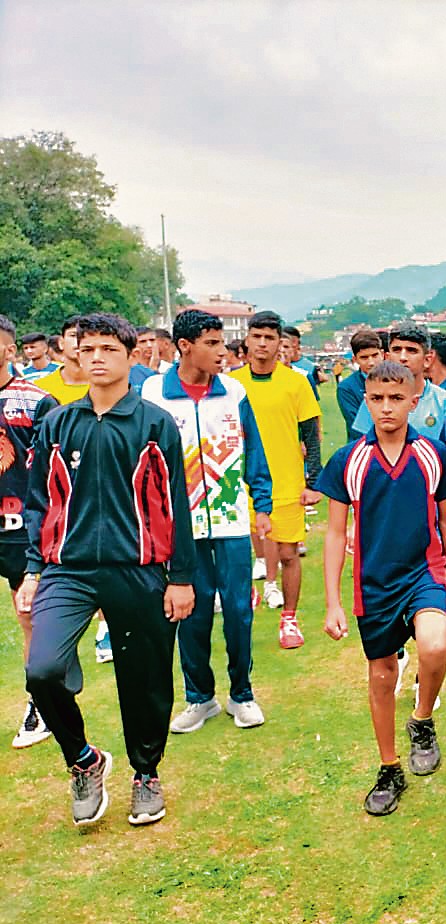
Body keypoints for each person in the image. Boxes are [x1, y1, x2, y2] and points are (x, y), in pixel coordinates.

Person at [20, 312, 195, 827]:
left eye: (108, 350)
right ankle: (84, 761)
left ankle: (146, 774)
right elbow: (39, 502)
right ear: (75, 354)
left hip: (138, 569)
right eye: (88, 349)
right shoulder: (57, 424)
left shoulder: (155, 424)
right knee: (42, 669)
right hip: (67, 569)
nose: (97, 358)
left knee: (144, 680)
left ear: (130, 356)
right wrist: (32, 569)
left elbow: (177, 506)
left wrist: (181, 577)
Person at [320, 360, 446, 815]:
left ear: (414, 402)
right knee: (382, 674)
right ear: (366, 401)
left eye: (396, 398)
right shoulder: (349, 460)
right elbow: (334, 533)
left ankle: (422, 719)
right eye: (378, 399)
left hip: (425, 572)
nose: (387, 407)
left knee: (434, 646)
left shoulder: (433, 454)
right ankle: (389, 767)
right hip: (374, 583)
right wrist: (332, 603)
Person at [141, 309, 274, 734]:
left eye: (221, 343)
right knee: (191, 612)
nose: (222, 352)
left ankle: (242, 694)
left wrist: (263, 505)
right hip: (180, 526)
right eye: (212, 344)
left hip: (231, 518)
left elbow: (254, 450)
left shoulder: (233, 391)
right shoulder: (153, 393)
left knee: (239, 611)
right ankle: (200, 698)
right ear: (185, 347)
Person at [228, 311, 322, 648]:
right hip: (239, 484)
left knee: (288, 553)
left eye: (270, 338)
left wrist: (313, 482)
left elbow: (311, 433)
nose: (263, 344)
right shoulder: (231, 384)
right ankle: (246, 603)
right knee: (236, 553)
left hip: (286, 482)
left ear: (280, 343)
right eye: (257, 337)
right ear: (247, 340)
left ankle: (289, 619)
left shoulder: (296, 382)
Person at [352, 326, 446, 556]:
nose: (403, 357)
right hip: (383, 511)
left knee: (436, 574)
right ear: (388, 355)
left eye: (411, 350)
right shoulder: (375, 403)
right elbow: (363, 464)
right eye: (397, 350)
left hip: (434, 512)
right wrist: (356, 521)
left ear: (427, 358)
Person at [2, 316, 59, 749]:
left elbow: (53, 472)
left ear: (9, 349)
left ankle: (41, 704)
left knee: (29, 618)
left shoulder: (36, 402)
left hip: (21, 529)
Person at [336, 330, 384, 442]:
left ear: (382, 354)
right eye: (364, 357)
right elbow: (356, 427)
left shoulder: (396, 381)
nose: (371, 362)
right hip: (364, 445)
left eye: (375, 355)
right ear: (355, 359)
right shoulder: (346, 388)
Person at [39, 319, 92, 405]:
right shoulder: (41, 388)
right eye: (73, 335)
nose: (79, 340)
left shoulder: (107, 387)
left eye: (84, 336)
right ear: (61, 343)